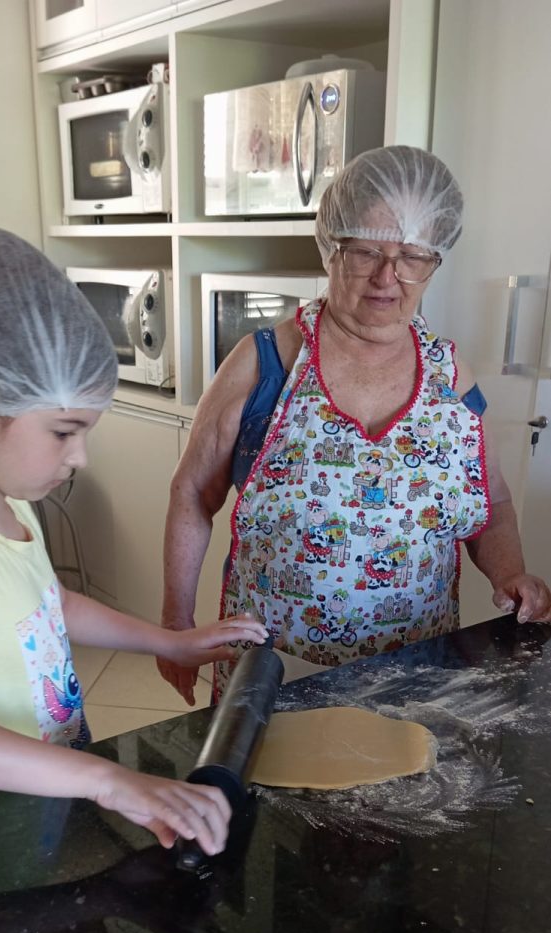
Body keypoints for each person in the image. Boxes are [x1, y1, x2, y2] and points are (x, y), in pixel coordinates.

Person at [0, 222, 268, 857]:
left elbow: (46, 607)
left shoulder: (8, 507)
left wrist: (169, 641)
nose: (80, 456)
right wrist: (109, 781)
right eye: (64, 432)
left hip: (44, 800)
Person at [158, 145, 551, 703]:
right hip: (277, 675)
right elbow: (193, 492)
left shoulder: (449, 374)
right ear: (332, 248)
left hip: (416, 678)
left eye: (414, 255)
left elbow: (492, 502)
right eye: (367, 251)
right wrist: (175, 624)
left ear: (435, 259)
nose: (389, 276)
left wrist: (510, 573)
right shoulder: (263, 364)